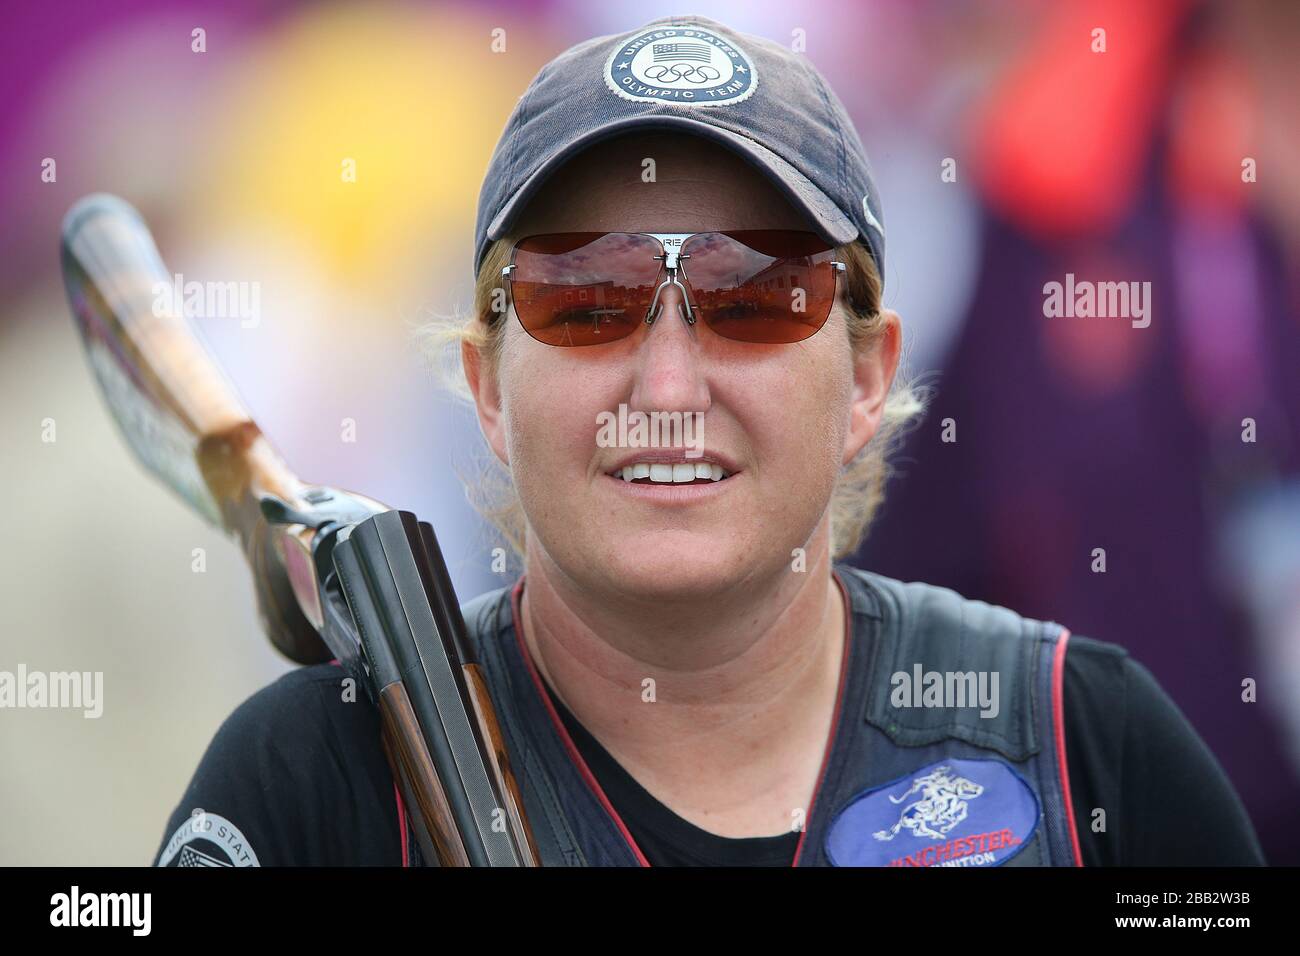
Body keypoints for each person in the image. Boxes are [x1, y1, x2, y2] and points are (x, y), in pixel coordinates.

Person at [154, 14, 1264, 868]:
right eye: (586, 300)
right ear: (486, 386)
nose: (669, 379)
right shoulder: (314, 777)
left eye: (757, 295)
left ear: (868, 377)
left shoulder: (1084, 743)